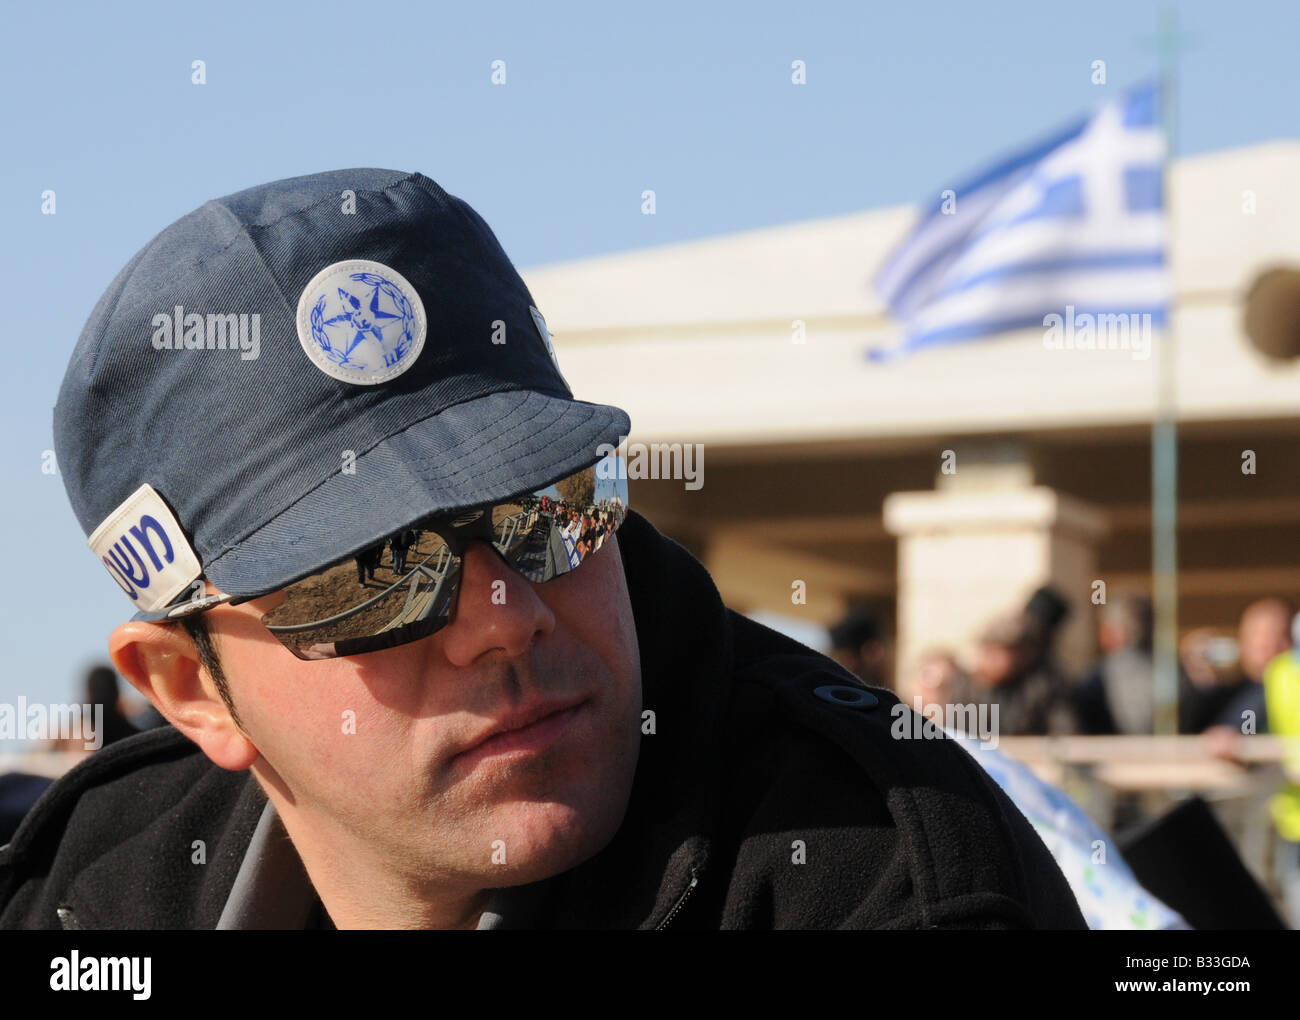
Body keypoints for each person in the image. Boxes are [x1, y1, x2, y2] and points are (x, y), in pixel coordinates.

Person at [0, 169, 1084, 930]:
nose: (507, 617)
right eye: (374, 577)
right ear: (193, 689)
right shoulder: (89, 892)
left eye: (551, 509)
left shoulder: (873, 875)